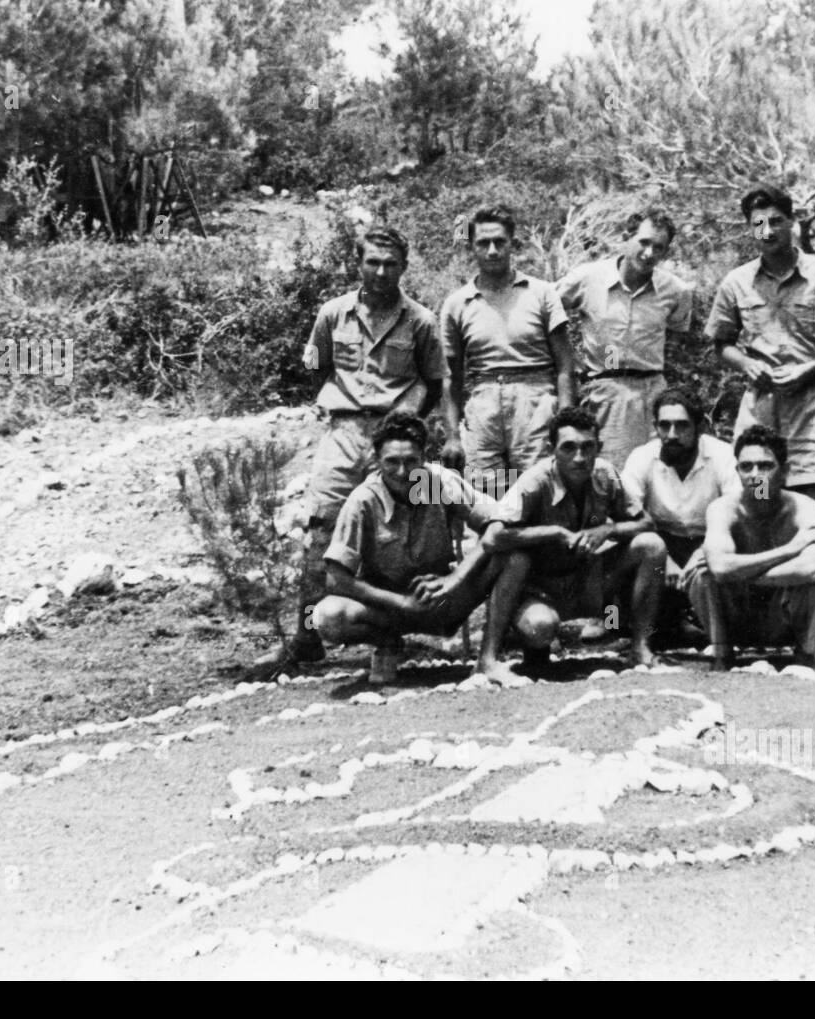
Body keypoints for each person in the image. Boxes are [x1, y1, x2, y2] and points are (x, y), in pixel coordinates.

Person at [246, 225, 462, 679]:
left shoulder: (421, 320)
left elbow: (436, 380)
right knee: (320, 533)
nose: (381, 272)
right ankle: (306, 638)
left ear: (404, 267)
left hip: (397, 438)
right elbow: (315, 366)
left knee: (410, 526)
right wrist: (338, 407)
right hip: (343, 434)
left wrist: (410, 421)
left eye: (391, 264)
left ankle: (400, 622)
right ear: (357, 263)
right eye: (372, 262)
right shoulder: (332, 314)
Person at [705, 184, 815, 523]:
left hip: (810, 408)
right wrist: (747, 364)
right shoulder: (737, 282)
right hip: (759, 410)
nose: (767, 231)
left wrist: (814, 366)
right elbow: (721, 344)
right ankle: (766, 571)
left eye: (776, 221)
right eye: (758, 224)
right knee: (760, 502)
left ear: (792, 222)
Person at [474, 405, 667, 686]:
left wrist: (608, 529)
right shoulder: (534, 481)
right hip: (540, 588)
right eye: (569, 448)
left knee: (651, 545)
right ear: (551, 448)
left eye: (588, 447)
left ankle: (640, 647)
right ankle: (492, 659)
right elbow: (492, 538)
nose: (580, 457)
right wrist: (552, 532)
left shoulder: (605, 474)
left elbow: (647, 524)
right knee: (538, 625)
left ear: (599, 447)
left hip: (587, 578)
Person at [311, 413, 501, 685]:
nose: (402, 472)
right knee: (326, 616)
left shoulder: (437, 482)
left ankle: (490, 657)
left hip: (443, 597)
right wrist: (402, 603)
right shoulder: (363, 501)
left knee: (510, 554)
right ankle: (387, 642)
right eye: (392, 462)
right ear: (377, 461)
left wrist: (455, 579)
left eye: (411, 461)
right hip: (388, 608)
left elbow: (498, 525)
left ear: (423, 457)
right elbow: (335, 577)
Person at [441, 205, 577, 499]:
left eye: (500, 242)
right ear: (471, 247)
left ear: (512, 244)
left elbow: (566, 365)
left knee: (541, 492)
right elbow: (450, 376)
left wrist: (565, 421)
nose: (492, 251)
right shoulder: (457, 303)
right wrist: (452, 435)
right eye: (483, 243)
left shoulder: (541, 292)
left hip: (536, 404)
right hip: (483, 406)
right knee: (487, 498)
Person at [686, 424, 815, 672]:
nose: (756, 475)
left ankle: (807, 654)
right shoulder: (722, 508)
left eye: (765, 466)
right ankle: (722, 655)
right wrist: (788, 551)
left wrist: (742, 574)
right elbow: (720, 568)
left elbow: (811, 568)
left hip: (784, 619)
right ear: (737, 472)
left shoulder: (806, 508)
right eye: (746, 467)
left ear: (785, 471)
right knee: (703, 570)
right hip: (737, 617)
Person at [557, 207, 696, 470]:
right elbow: (546, 313)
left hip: (655, 391)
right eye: (644, 242)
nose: (649, 253)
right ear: (626, 237)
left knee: (660, 472)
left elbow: (677, 338)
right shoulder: (588, 279)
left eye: (659, 247)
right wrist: (570, 362)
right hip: (608, 391)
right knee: (614, 475)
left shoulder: (675, 290)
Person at [620, 387, 740, 578]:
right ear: (655, 426)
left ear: (699, 427)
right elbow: (628, 515)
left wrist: (704, 552)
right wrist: (666, 562)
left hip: (710, 542)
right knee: (648, 545)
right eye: (665, 425)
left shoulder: (723, 455)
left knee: (710, 567)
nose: (672, 435)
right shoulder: (641, 457)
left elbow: (737, 513)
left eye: (682, 425)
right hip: (663, 545)